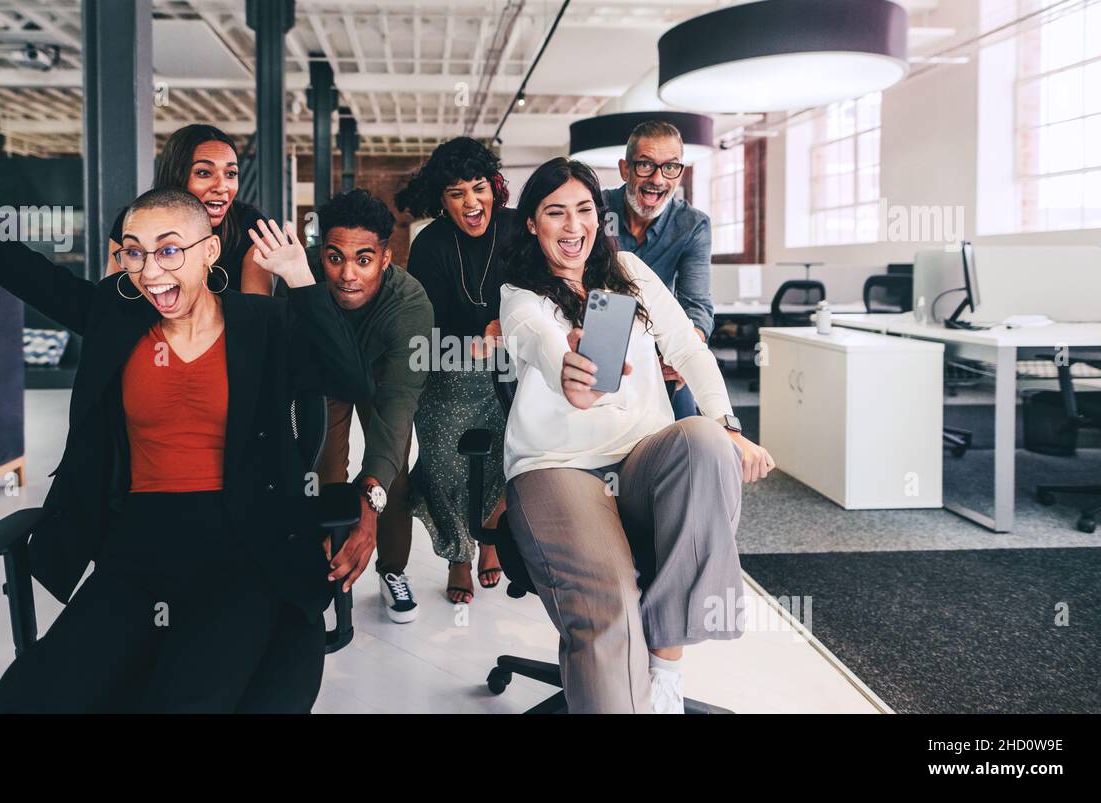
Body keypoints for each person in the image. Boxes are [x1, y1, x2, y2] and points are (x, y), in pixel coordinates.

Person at [0, 22, 374, 712]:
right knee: (24, 703)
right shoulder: (118, 314)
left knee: (187, 695)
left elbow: (351, 381)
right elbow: (2, 253)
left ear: (211, 254)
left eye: (171, 249)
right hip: (138, 548)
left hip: (244, 546)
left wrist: (302, 280)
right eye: (134, 251)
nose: (151, 269)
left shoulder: (261, 325)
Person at [498, 156, 774, 714]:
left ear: (600, 218)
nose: (573, 226)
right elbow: (546, 348)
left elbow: (689, 349)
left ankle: (664, 670)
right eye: (556, 212)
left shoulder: (628, 272)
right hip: (559, 467)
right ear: (532, 223)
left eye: (584, 211)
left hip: (641, 460)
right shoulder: (522, 298)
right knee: (610, 602)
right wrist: (571, 369)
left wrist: (730, 427)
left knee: (702, 440)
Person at [308, 189, 434, 623]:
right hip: (326, 370)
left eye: (363, 259)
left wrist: (369, 504)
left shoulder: (412, 304)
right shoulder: (303, 278)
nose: (347, 275)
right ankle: (324, 563)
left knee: (388, 475)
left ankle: (392, 570)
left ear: (385, 257)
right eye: (334, 257)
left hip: (383, 376)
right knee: (324, 468)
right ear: (320, 252)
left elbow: (398, 408)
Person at [396, 137, 510, 605]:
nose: (471, 202)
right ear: (442, 201)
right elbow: (426, 328)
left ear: (494, 188)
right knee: (446, 463)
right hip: (447, 369)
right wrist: (472, 341)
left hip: (509, 367)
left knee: (505, 456)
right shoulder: (430, 243)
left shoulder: (516, 230)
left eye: (478, 188)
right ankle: (457, 555)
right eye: (457, 193)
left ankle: (489, 540)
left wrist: (509, 326)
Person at [602, 119, 715, 420]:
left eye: (670, 167)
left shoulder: (692, 225)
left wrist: (685, 350)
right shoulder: (594, 210)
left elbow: (697, 305)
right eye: (645, 165)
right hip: (602, 343)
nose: (658, 179)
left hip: (662, 349)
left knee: (689, 439)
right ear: (625, 169)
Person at [105, 124, 271, 295]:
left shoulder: (251, 225)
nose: (222, 187)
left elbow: (257, 314)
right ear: (176, 175)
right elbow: (112, 298)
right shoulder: (132, 221)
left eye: (231, 174)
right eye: (204, 173)